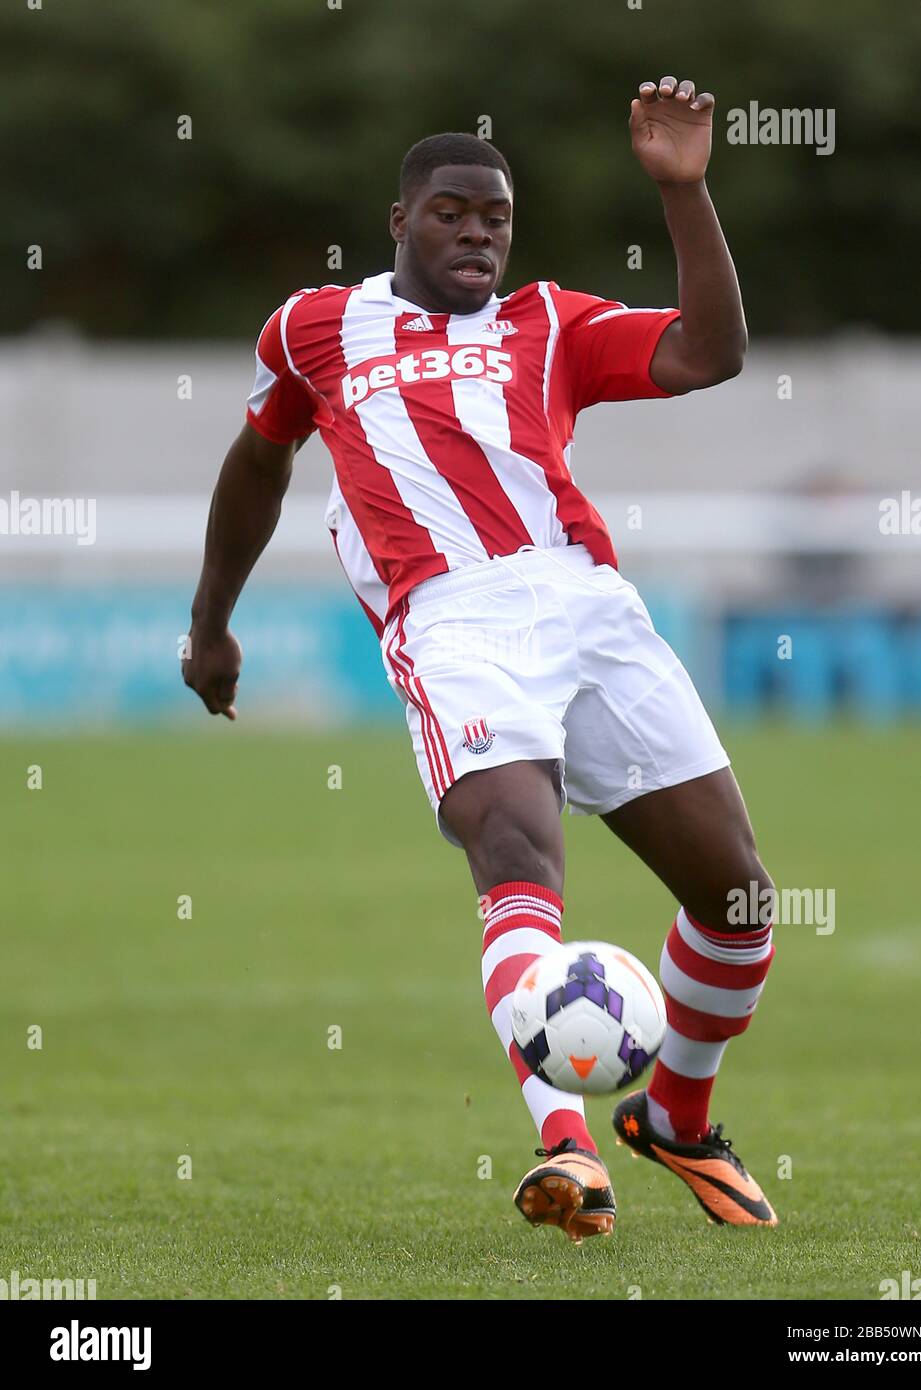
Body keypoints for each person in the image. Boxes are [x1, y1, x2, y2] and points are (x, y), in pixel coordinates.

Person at [184, 76, 778, 1243]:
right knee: (517, 848)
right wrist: (212, 620)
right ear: (399, 220)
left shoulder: (546, 322)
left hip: (588, 604)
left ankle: (677, 1120)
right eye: (452, 212)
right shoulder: (313, 326)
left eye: (496, 218)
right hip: (449, 617)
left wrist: (686, 191)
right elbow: (256, 464)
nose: (477, 234)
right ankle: (565, 1148)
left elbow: (710, 354)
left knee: (741, 899)